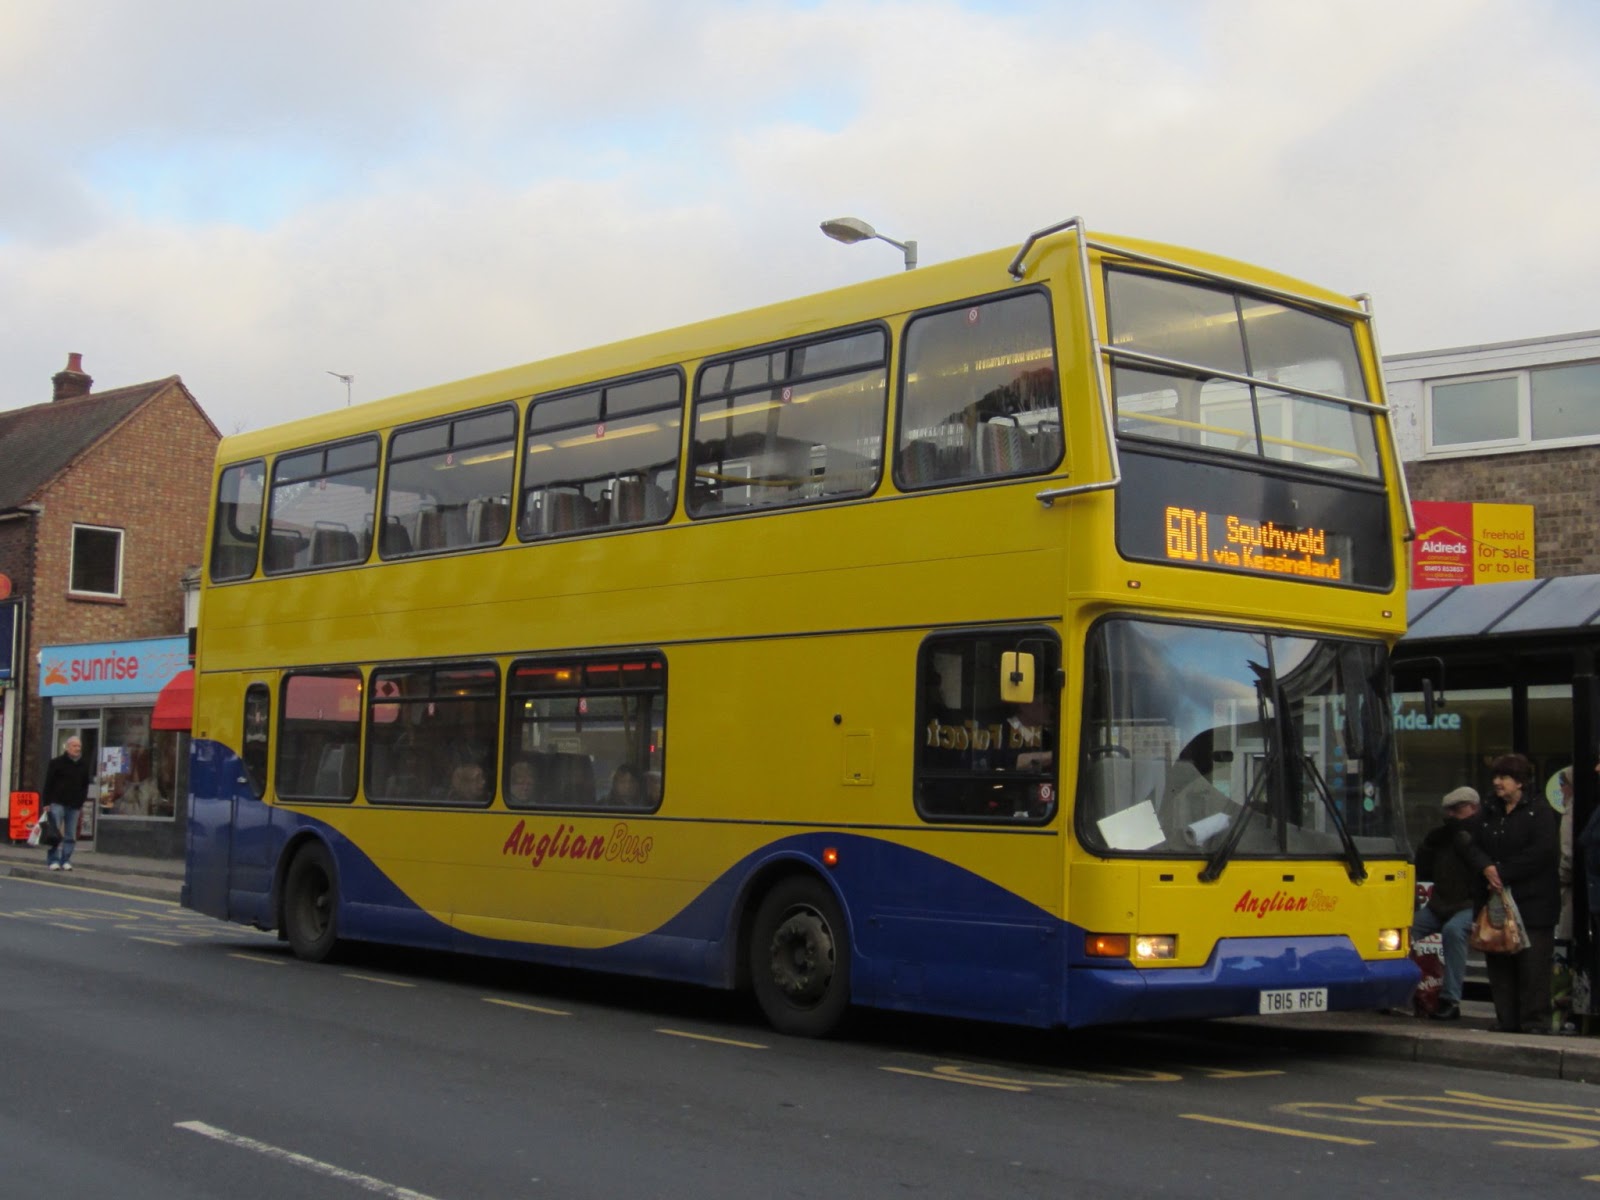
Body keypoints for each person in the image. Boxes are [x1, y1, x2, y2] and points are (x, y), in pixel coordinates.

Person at [1466, 752, 1561, 1034]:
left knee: (1532, 966)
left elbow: (1543, 852)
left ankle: (1535, 1022)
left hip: (1533, 902)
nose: (1498, 782)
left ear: (1520, 782)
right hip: (1495, 902)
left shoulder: (1539, 811)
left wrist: (1502, 872)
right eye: (1496, 777)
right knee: (1499, 960)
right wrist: (1486, 868)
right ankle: (1506, 1019)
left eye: (1504, 777)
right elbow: (1470, 844)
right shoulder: (1489, 810)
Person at [1411, 786, 1482, 1021]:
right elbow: (1425, 868)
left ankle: (1451, 999)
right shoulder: (1443, 837)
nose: (1452, 815)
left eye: (1458, 809)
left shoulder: (1480, 833)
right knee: (1404, 930)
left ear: (1473, 808)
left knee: (1454, 932)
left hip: (1470, 903)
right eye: (1449, 810)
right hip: (1441, 903)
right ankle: (1399, 987)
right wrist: (1427, 847)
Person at [41, 736, 92, 872]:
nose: (77, 749)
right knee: (54, 833)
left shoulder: (83, 765)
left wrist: (81, 801)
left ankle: (66, 860)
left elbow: (85, 785)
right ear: (68, 747)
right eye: (75, 746)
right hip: (57, 802)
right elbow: (48, 784)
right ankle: (53, 860)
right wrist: (46, 802)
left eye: (79, 746)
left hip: (74, 805)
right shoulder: (56, 763)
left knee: (70, 835)